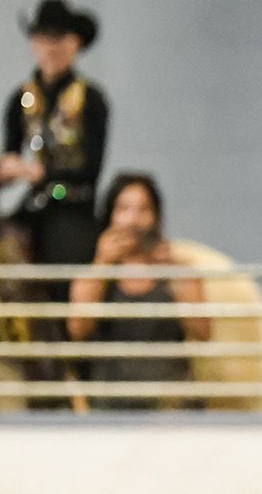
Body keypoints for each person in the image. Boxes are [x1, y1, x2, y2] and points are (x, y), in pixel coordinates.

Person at [0, 0, 110, 267]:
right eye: (42, 39)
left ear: (76, 43)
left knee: (66, 263)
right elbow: (11, 152)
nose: (50, 48)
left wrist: (38, 172)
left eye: (59, 39)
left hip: (73, 205)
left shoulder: (90, 98)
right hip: (34, 204)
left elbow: (91, 167)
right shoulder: (21, 98)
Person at [69, 173, 208, 410]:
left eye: (143, 210)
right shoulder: (93, 275)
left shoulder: (176, 270)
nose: (133, 220)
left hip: (172, 406)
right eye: (124, 209)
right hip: (111, 406)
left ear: (156, 217)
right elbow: (79, 329)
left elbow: (203, 330)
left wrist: (172, 273)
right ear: (110, 216)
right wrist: (103, 264)